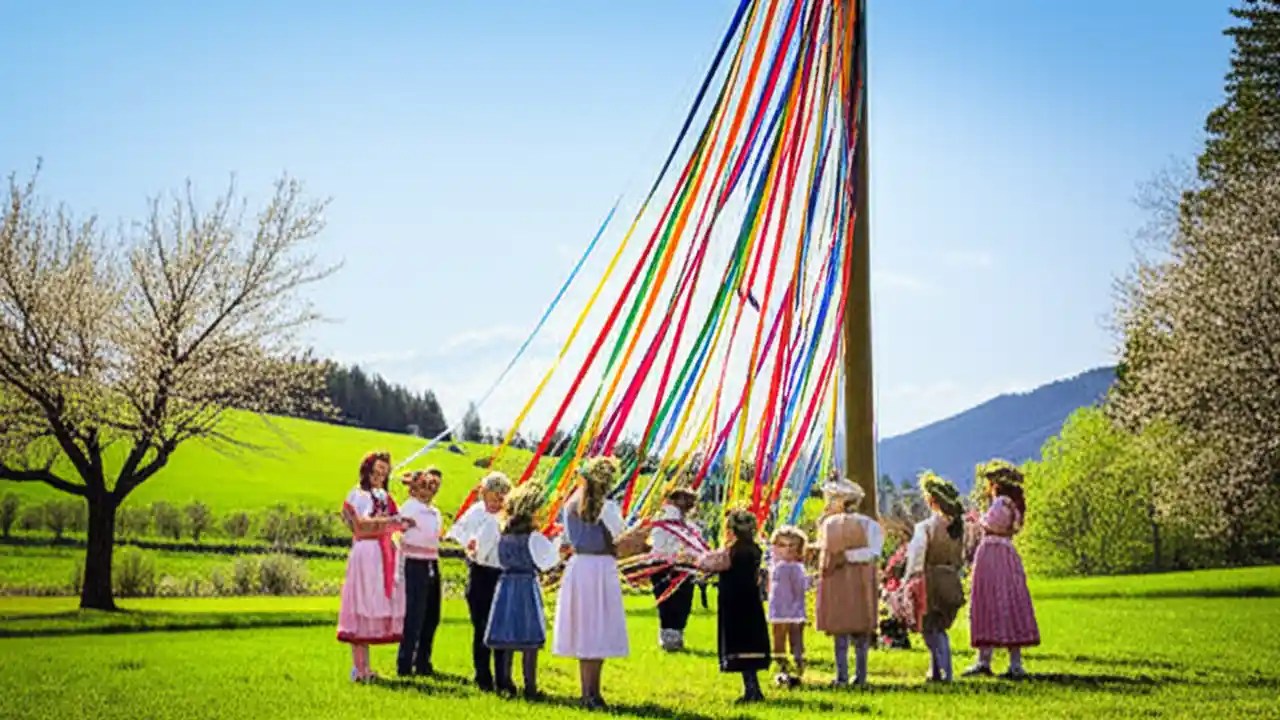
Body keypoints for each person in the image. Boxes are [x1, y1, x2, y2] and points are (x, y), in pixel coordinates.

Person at [553, 457, 630, 711]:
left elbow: (567, 538)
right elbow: (619, 541)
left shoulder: (571, 504)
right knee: (596, 628)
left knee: (588, 629)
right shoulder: (607, 508)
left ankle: (589, 691)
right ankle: (591, 693)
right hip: (599, 568)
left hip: (580, 567)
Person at [483, 480, 563, 699]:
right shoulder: (534, 538)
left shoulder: (504, 535)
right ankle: (530, 687)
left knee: (507, 637)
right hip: (526, 586)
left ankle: (505, 683)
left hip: (506, 586)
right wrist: (558, 542)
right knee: (529, 640)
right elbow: (549, 561)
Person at [337, 450, 411, 682]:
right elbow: (360, 526)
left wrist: (400, 524)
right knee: (362, 603)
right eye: (376, 471)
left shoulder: (384, 496)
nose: (379, 475)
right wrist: (390, 522)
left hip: (384, 553)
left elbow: (394, 520)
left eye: (384, 472)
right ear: (367, 471)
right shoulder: (358, 495)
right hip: (367, 551)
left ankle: (365, 668)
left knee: (372, 603)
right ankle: (359, 669)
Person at [964, 460, 1039, 680]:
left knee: (990, 598)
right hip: (1005, 553)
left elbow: (991, 525)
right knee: (1009, 599)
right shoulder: (1013, 504)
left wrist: (975, 519)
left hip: (993, 553)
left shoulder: (1001, 504)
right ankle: (1011, 661)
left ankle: (986, 660)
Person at [445, 471, 512, 691]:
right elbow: (458, 531)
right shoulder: (475, 512)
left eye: (501, 497)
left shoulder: (509, 517)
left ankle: (503, 677)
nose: (497, 502)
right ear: (483, 495)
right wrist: (468, 544)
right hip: (480, 572)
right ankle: (483, 675)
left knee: (502, 628)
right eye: (493, 497)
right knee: (481, 626)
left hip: (502, 574)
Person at [697, 508, 770, 704]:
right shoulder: (755, 549)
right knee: (750, 642)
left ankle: (751, 690)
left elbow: (708, 564)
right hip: (751, 602)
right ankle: (753, 688)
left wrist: (695, 559)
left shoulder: (731, 552)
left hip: (735, 603)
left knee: (740, 643)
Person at [814, 478, 882, 687]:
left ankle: (843, 674)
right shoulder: (870, 525)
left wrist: (841, 558)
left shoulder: (828, 524)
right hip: (857, 578)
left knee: (843, 630)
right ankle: (857, 675)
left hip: (841, 577)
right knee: (855, 629)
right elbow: (873, 552)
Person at [905, 471, 967, 682]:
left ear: (931, 502)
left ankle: (944, 670)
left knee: (931, 628)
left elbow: (917, 555)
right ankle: (938, 669)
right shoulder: (958, 528)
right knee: (940, 627)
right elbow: (961, 556)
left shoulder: (927, 527)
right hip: (951, 578)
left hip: (931, 580)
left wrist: (909, 578)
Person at [395, 467, 444, 678]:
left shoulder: (434, 512)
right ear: (413, 489)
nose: (427, 492)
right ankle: (405, 662)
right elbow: (398, 533)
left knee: (431, 615)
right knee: (414, 614)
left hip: (431, 560)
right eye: (422, 487)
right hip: (414, 562)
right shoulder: (409, 509)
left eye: (431, 488)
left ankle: (423, 659)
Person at [648, 486, 703, 651]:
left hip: (662, 566)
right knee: (681, 602)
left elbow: (657, 545)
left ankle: (668, 638)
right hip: (682, 568)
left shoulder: (663, 521)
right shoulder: (692, 528)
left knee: (666, 603)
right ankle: (675, 636)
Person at [766, 525, 809, 687]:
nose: (788, 550)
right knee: (778, 638)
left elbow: (801, 586)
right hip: (778, 609)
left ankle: (798, 665)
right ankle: (782, 666)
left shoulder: (796, 567)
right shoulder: (776, 565)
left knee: (796, 638)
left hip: (794, 609)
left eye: (792, 546)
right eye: (782, 545)